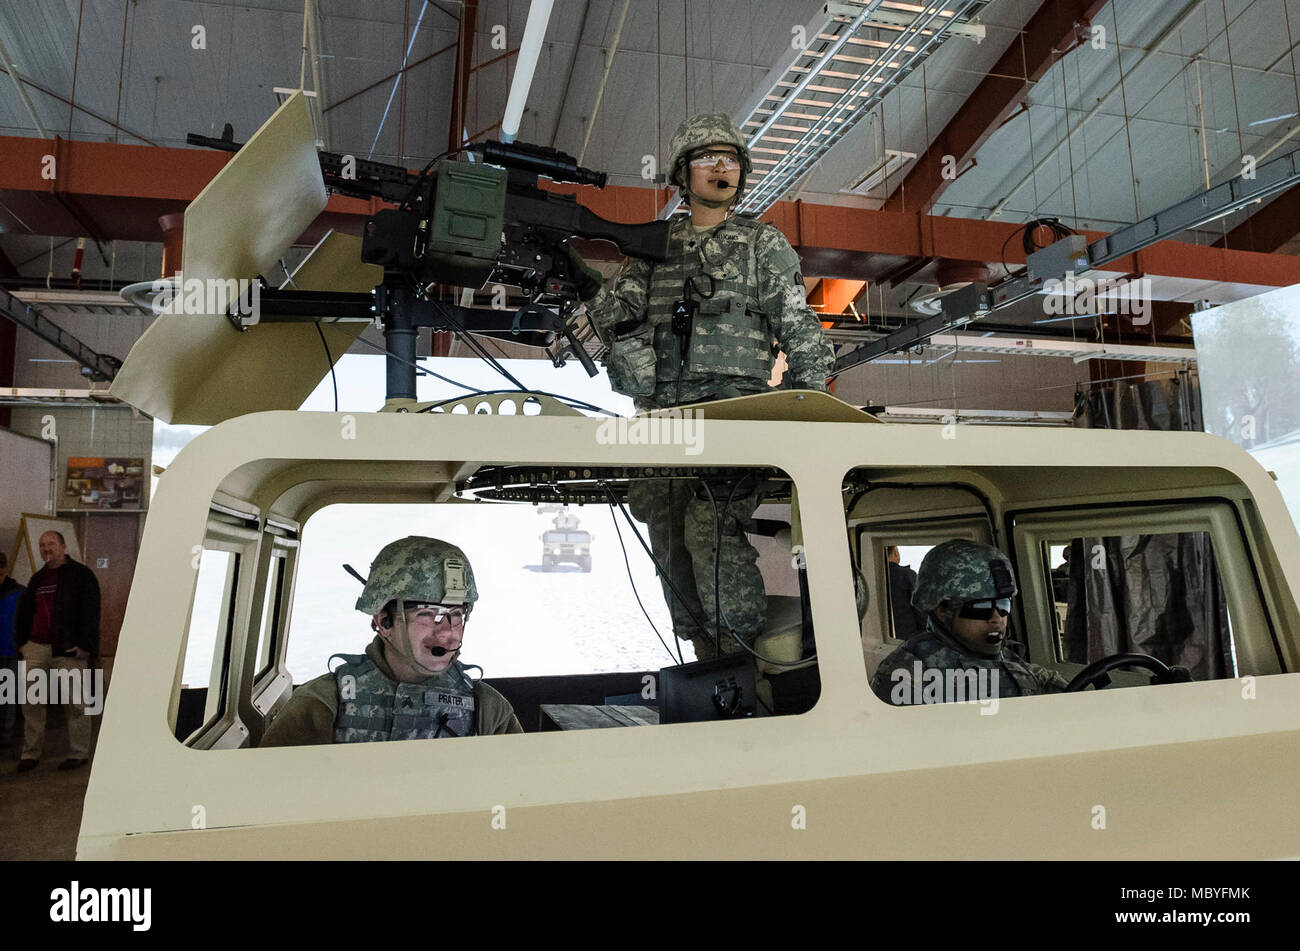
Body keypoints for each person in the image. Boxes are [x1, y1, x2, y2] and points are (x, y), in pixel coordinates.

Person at [567, 113, 836, 661]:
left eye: (732, 159)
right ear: (682, 174)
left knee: (708, 522)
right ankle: (702, 650)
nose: (723, 168)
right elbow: (617, 316)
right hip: (665, 415)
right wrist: (573, 271)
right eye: (709, 159)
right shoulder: (652, 246)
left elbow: (802, 332)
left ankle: (738, 651)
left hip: (735, 413)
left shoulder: (762, 244)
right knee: (664, 528)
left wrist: (809, 412)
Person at [261, 536, 522, 746]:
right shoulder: (322, 704)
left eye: (455, 615)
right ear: (384, 620)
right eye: (428, 615)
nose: (446, 632)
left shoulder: (487, 709)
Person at [870, 539, 1069, 706]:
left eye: (1003, 604)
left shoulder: (1009, 660)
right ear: (942, 610)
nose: (997, 618)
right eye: (979, 609)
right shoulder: (907, 675)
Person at [13, 531, 100, 771]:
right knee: (32, 702)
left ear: (63, 546)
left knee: (76, 703)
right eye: (42, 545)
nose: (46, 548)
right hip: (36, 648)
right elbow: (25, 613)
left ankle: (79, 753)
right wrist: (21, 642)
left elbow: (92, 612)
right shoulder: (38, 578)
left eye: (51, 543)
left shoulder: (82, 575)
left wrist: (86, 645)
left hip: (68, 650)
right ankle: (30, 754)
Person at [0, 551, 24, 748]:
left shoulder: (19, 592)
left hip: (11, 651)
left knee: (8, 694)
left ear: (5, 568)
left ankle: (7, 733)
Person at [885, 546, 926, 640]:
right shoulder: (906, 575)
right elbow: (921, 609)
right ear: (895, 553)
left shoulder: (871, 577)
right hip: (910, 639)